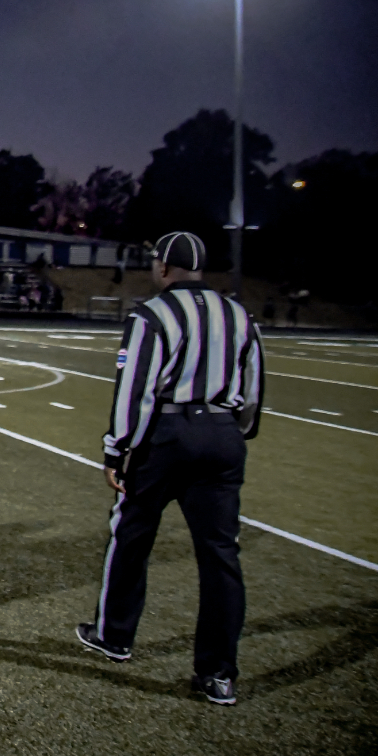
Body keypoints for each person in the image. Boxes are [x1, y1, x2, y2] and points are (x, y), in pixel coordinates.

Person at [76, 231, 264, 707]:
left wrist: (117, 450)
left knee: (132, 535)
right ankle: (218, 674)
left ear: (163, 267)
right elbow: (253, 389)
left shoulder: (151, 315)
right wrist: (228, 432)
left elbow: (135, 390)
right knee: (221, 556)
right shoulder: (239, 315)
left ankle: (114, 635)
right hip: (222, 434)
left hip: (166, 434)